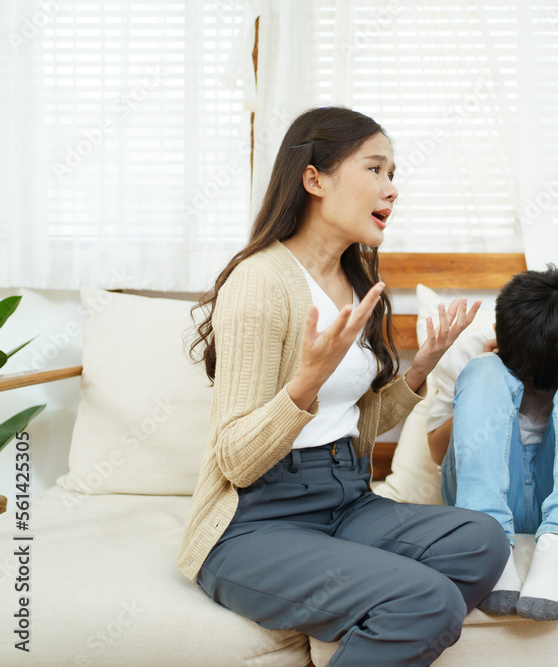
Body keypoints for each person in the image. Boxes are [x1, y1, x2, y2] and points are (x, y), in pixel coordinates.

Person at [177, 106, 509, 666]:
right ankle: (388, 606)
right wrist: (307, 380)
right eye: (376, 169)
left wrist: (420, 369)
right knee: (427, 601)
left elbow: (356, 426)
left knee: (483, 541)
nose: (392, 188)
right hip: (254, 522)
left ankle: (366, 614)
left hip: (346, 501)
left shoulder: (358, 279)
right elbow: (234, 459)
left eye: (394, 173)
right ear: (314, 179)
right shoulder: (260, 281)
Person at [425, 267, 558, 621]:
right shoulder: (468, 354)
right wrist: (497, 384)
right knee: (482, 371)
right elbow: (437, 450)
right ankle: (486, 542)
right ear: (496, 332)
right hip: (477, 495)